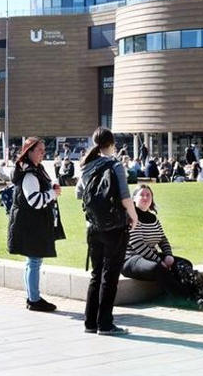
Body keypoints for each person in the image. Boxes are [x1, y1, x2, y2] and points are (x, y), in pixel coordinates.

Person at [76, 127, 137, 335]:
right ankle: (105, 323)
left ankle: (90, 322)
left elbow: (79, 195)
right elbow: (125, 196)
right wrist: (134, 216)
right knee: (110, 276)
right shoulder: (115, 165)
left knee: (96, 274)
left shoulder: (85, 166)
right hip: (115, 227)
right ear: (112, 144)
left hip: (93, 227)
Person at [122, 186, 203, 305]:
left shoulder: (153, 218)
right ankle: (183, 299)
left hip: (150, 256)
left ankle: (197, 294)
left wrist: (168, 255)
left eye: (148, 195)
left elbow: (162, 239)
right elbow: (137, 243)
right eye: (142, 195)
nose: (145, 197)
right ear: (134, 198)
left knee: (184, 264)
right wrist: (159, 261)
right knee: (158, 268)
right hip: (131, 259)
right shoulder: (132, 217)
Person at [7, 137, 63, 312]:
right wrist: (53, 194)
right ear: (29, 151)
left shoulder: (33, 170)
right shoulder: (30, 174)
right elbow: (35, 201)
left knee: (32, 261)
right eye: (39, 150)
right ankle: (34, 299)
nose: (43, 153)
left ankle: (32, 297)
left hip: (29, 224)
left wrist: (50, 187)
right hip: (31, 225)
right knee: (34, 261)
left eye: (43, 150)